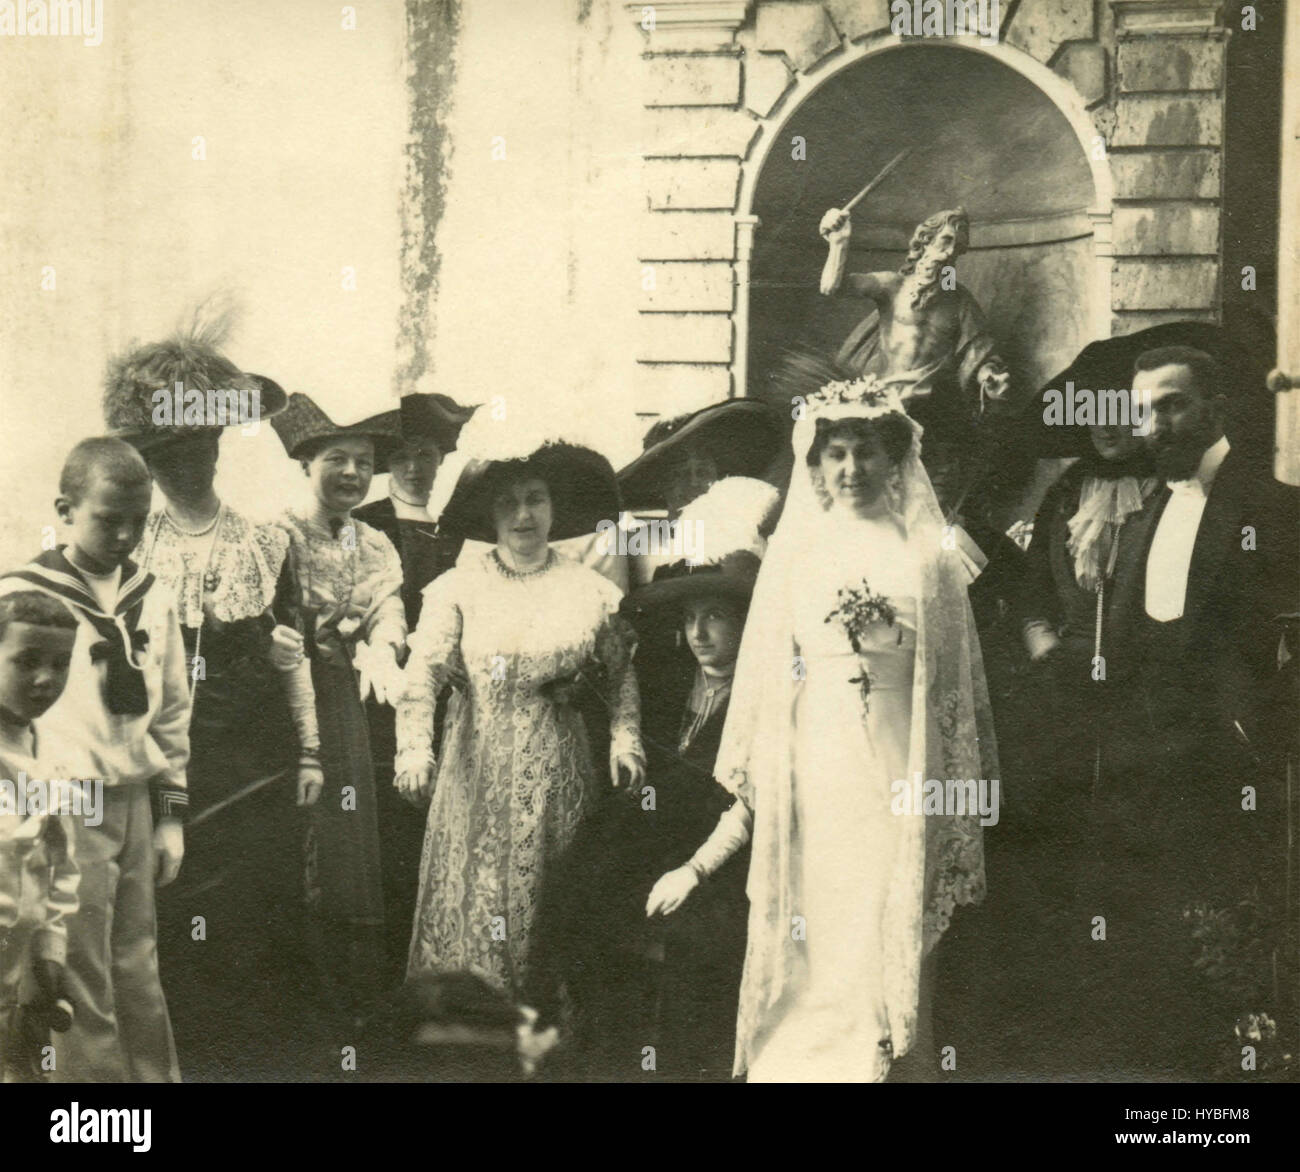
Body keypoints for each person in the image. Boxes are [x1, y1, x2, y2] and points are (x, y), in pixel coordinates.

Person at [646, 371, 994, 1082]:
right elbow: (776, 684)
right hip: (818, 765)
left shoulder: (930, 554)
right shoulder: (797, 557)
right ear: (816, 465)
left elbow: (954, 685)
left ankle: (889, 1054)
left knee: (884, 920)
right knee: (818, 920)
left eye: (865, 449)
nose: (851, 468)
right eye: (836, 453)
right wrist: (777, 775)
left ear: (893, 456)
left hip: (902, 766)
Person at [1075, 345, 1299, 1077]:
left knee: (1240, 940)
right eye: (1142, 409)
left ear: (1216, 409)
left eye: (1170, 404)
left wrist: (1260, 731)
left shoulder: (1275, 507)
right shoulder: (1144, 516)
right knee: (1160, 943)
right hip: (1150, 770)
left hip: (1237, 767)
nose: (1152, 424)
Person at [102, 335, 322, 1079]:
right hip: (164, 769)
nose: (192, 459)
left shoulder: (266, 546)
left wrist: (310, 751)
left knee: (256, 917)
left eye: (202, 442)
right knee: (169, 917)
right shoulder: (128, 555)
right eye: (172, 448)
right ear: (150, 460)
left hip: (253, 770)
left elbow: (294, 663)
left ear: (222, 443)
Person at [396, 412, 645, 999]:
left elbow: (620, 677)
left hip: (559, 780)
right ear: (492, 515)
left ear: (555, 508)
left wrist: (625, 741)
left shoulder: (591, 589)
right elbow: (422, 676)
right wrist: (413, 751)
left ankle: (544, 1037)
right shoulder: (459, 587)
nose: (524, 515)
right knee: (476, 907)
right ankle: (469, 1033)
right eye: (509, 503)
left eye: (535, 500)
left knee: (549, 911)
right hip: (473, 775)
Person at [533, 478, 769, 1080]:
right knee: (578, 876)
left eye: (716, 616)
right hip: (662, 829)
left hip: (731, 847)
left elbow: (750, 803)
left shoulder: (765, 693)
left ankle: (684, 1064)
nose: (699, 633)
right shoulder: (670, 680)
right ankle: (588, 1038)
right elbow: (621, 706)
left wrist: (692, 868)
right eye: (690, 618)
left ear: (746, 620)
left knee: (696, 934)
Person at [0, 438, 190, 1082]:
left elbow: (170, 713)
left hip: (134, 798)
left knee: (137, 961)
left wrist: (170, 816)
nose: (125, 534)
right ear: (66, 509)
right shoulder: (22, 597)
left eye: (138, 519)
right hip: (61, 800)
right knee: (77, 969)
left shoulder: (153, 594)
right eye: (109, 518)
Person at [269, 393, 407, 1034]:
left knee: (349, 828)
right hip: (289, 692)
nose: (351, 473)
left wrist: (382, 647)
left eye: (362, 461)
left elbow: (389, 610)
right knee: (300, 829)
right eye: (336, 459)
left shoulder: (375, 543)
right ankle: (293, 984)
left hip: (348, 696)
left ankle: (347, 995)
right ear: (306, 462)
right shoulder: (277, 535)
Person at [353, 393, 474, 977]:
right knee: (385, 825)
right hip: (374, 697)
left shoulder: (459, 532)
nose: (414, 466)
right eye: (402, 454)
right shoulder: (365, 523)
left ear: (443, 458)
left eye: (426, 453)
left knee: (437, 822)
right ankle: (380, 968)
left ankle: (430, 966)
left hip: (443, 702)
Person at [818, 205, 1027, 513]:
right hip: (885, 409)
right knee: (879, 500)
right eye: (944, 241)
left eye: (957, 247)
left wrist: (989, 378)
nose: (948, 254)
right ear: (924, 242)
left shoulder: (958, 301)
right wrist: (839, 243)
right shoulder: (892, 286)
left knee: (929, 504)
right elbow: (831, 288)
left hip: (935, 415)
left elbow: (979, 351)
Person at [0, 592, 80, 1082]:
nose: (46, 678)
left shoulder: (53, 757)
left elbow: (61, 867)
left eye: (60, 663)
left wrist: (50, 952)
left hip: (18, 971)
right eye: (26, 661)